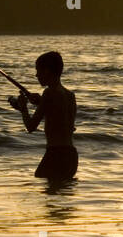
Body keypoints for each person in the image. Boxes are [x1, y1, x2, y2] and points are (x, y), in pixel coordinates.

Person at [8, 51, 77, 180]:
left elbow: (31, 127)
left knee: (41, 182)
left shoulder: (48, 93)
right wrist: (40, 102)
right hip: (71, 156)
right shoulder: (70, 95)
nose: (36, 75)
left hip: (56, 154)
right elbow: (59, 117)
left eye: (38, 71)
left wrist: (23, 109)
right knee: (59, 195)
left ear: (47, 71)